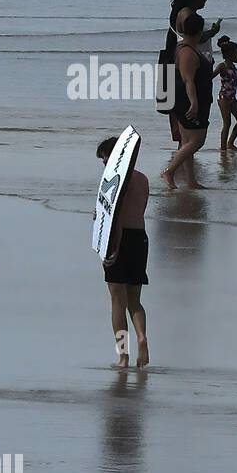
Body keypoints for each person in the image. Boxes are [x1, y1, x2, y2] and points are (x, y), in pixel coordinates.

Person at [96, 137, 150, 368]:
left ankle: (123, 356)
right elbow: (139, 210)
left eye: (104, 158)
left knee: (117, 301)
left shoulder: (112, 179)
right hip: (140, 239)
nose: (103, 163)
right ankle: (142, 337)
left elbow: (112, 216)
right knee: (135, 301)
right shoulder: (143, 179)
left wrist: (113, 246)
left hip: (118, 240)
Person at [161, 12, 213, 188]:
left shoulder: (183, 47)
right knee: (197, 141)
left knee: (186, 141)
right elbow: (188, 80)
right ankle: (169, 171)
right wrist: (194, 102)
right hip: (190, 101)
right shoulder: (188, 53)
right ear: (199, 32)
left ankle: (190, 180)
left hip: (184, 99)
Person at [214, 36, 237, 151]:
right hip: (224, 98)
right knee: (227, 123)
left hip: (232, 98)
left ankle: (230, 143)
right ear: (230, 54)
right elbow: (210, 77)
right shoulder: (222, 66)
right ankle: (223, 148)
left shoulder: (232, 66)